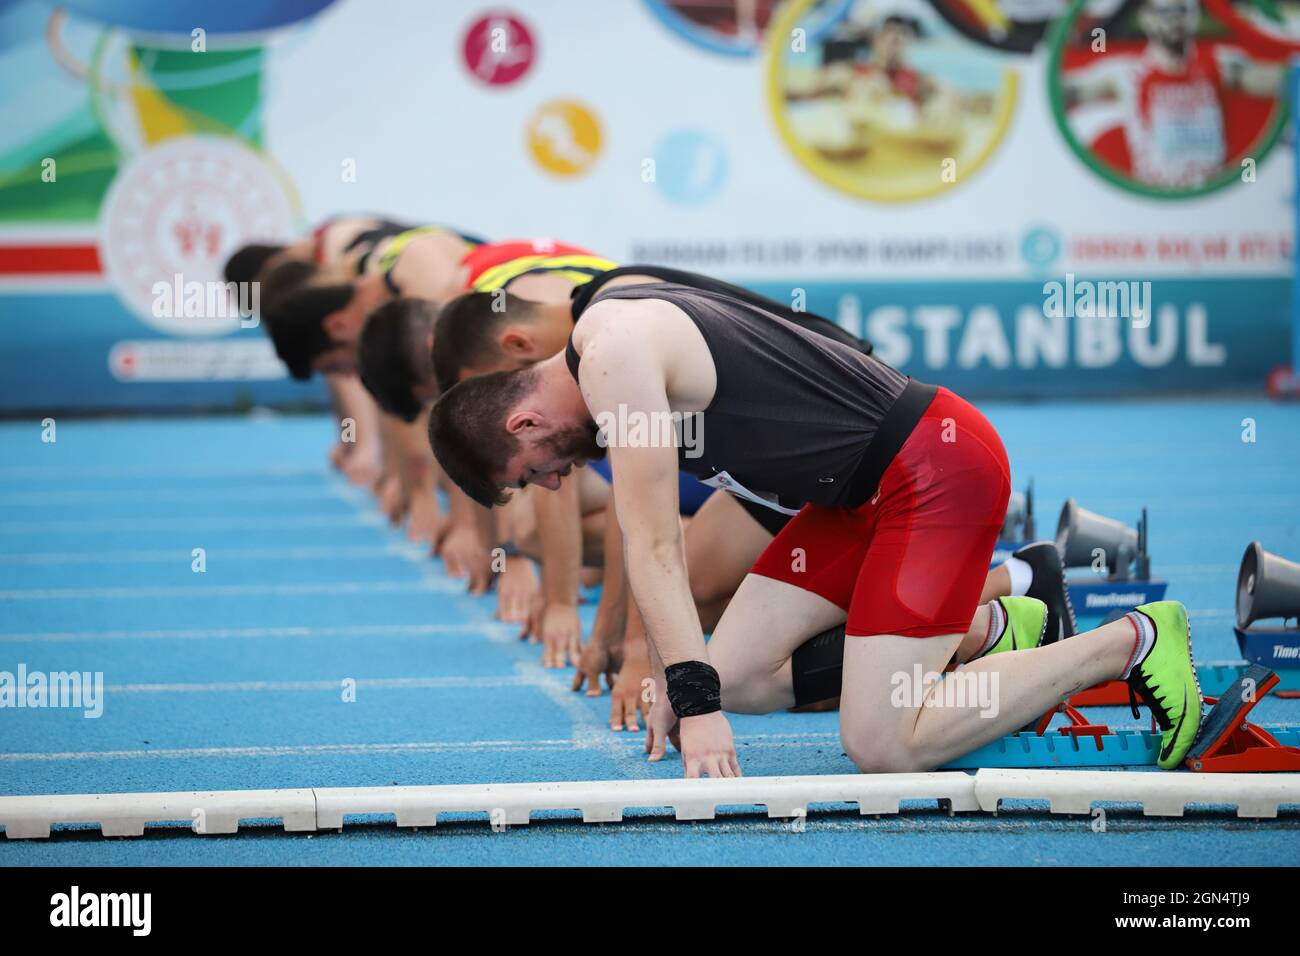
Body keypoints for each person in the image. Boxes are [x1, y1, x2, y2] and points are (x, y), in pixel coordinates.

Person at [427, 281, 1203, 776]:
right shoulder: (611, 330)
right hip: (851, 498)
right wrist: (698, 685)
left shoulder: (613, 356)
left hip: (933, 470)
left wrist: (694, 708)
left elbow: (655, 543)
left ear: (524, 418)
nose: (555, 482)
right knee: (732, 674)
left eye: (532, 471)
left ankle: (1131, 640)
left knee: (883, 745)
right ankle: (998, 626)